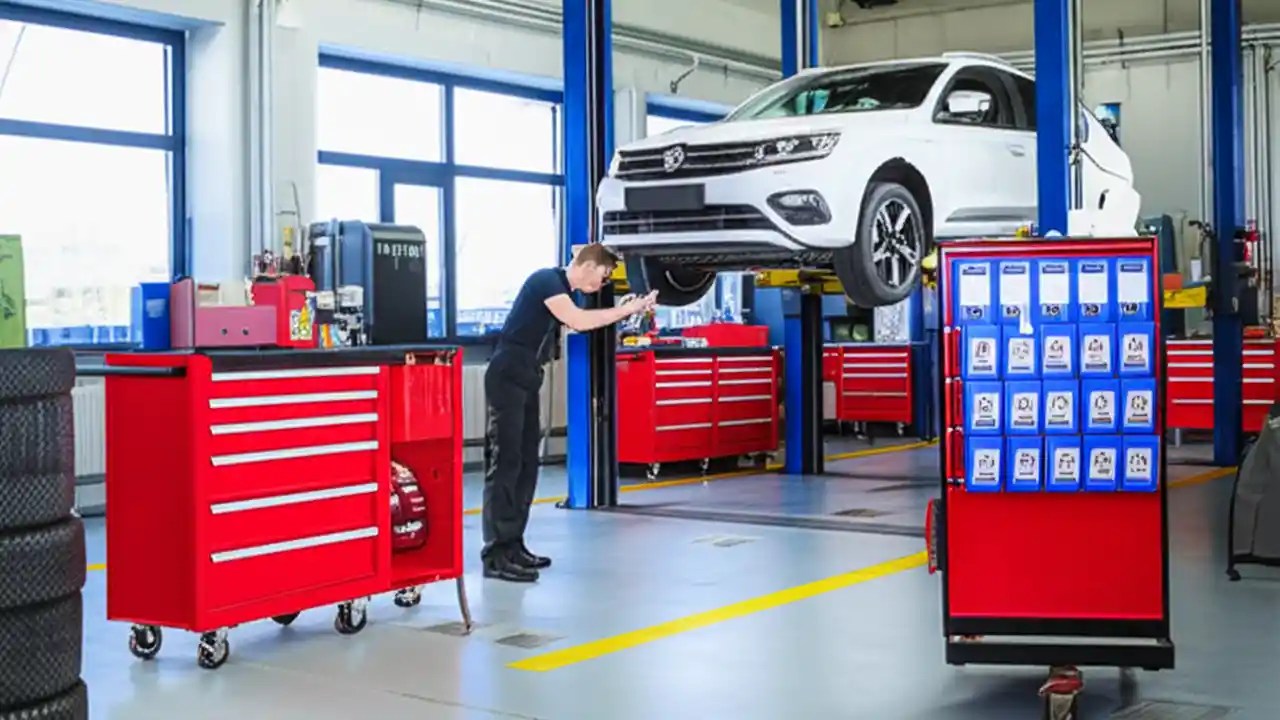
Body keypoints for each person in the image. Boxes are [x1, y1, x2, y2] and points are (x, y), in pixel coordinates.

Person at [482, 244, 657, 582]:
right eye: (603, 277)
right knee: (506, 463)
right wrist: (627, 309)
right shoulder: (546, 280)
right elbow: (578, 320)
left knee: (526, 464)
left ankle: (514, 545)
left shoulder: (562, 291)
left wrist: (630, 309)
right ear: (588, 266)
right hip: (507, 375)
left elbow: (576, 322)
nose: (602, 284)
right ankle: (496, 555)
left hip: (527, 375)